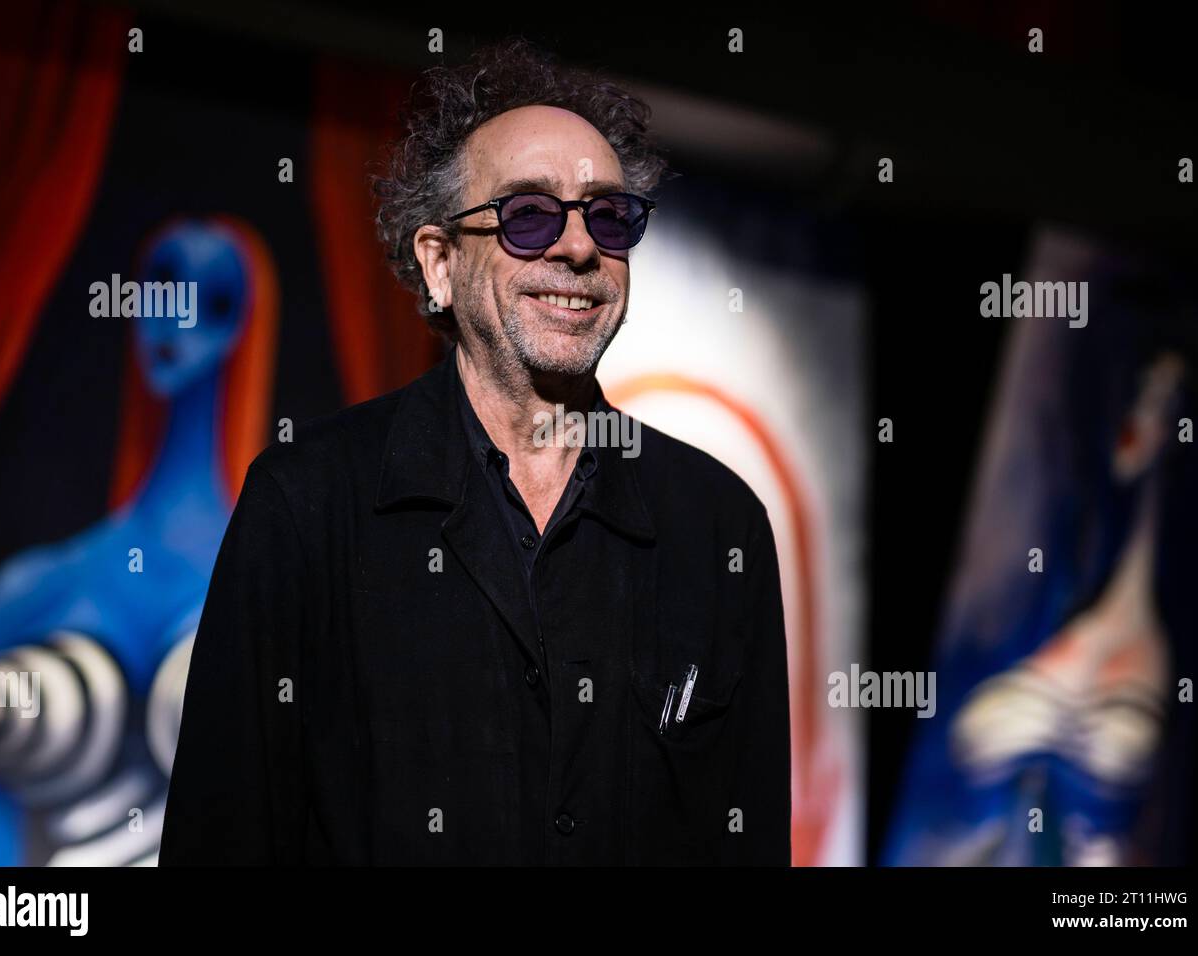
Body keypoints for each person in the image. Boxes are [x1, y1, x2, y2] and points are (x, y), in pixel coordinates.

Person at [160, 36, 790, 866]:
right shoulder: (307, 503)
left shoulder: (718, 525)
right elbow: (223, 836)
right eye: (529, 215)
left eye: (608, 215)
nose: (577, 247)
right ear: (440, 265)